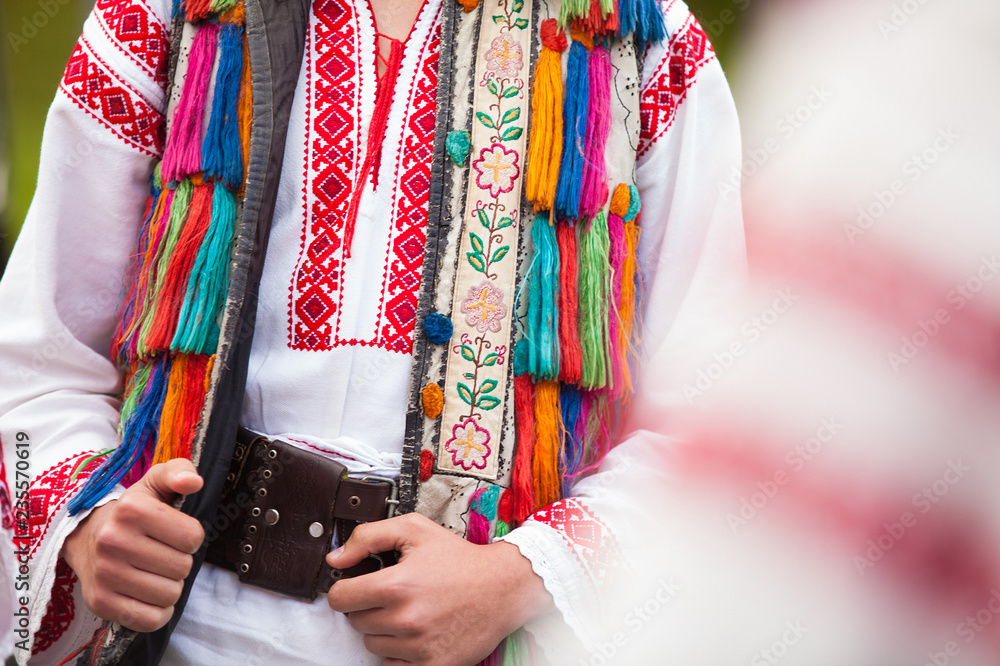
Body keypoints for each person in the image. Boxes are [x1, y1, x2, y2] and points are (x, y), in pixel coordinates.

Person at [0, 0, 744, 662]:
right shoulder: (160, 14)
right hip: (181, 638)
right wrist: (88, 522)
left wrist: (523, 577)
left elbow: (719, 434)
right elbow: (32, 363)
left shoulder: (645, 40)